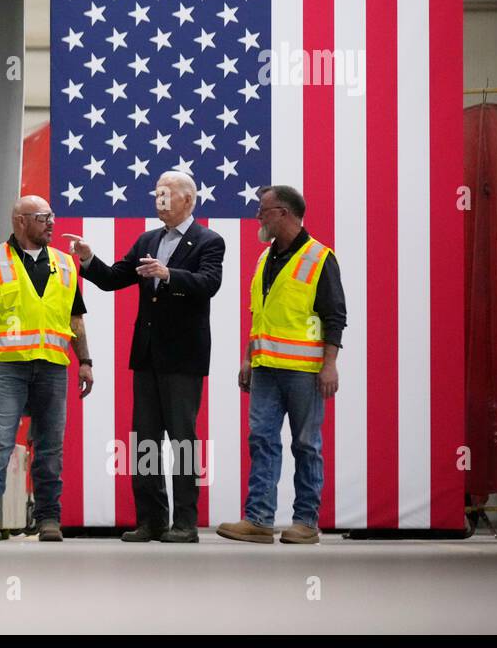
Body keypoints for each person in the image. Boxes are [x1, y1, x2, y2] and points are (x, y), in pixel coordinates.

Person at [66, 171, 224, 543]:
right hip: (148, 355)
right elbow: (114, 278)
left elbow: (209, 284)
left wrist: (169, 274)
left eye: (166, 195)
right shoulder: (148, 239)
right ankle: (151, 520)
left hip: (184, 356)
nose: (159, 201)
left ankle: (185, 523)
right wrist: (89, 260)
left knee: (183, 441)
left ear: (188, 199)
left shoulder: (208, 241)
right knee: (145, 442)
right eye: (157, 195)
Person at [0, 195, 94, 542]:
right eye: (43, 217)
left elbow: (74, 319)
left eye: (51, 216)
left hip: (52, 367)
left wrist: (86, 361)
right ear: (20, 221)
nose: (51, 223)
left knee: (50, 448)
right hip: (8, 368)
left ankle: (49, 520)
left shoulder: (64, 263)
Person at [218, 184, 347, 545]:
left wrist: (329, 365)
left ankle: (305, 522)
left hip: (306, 373)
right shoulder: (264, 258)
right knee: (262, 440)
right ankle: (259, 519)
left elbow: (335, 315)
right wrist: (248, 357)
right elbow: (260, 314)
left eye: (264, 210)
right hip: (265, 369)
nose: (258, 216)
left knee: (306, 445)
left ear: (284, 214)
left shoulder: (320, 258)